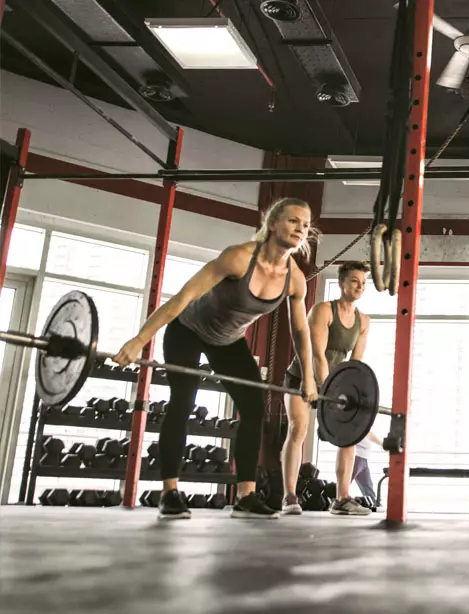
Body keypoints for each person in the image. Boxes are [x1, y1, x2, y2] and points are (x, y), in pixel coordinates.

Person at [113, 197, 318, 520]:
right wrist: (140, 340)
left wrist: (308, 377)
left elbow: (301, 333)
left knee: (254, 406)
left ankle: (246, 497)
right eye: (293, 221)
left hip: (228, 341)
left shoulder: (294, 279)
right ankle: (169, 492)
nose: (300, 229)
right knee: (183, 399)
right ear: (274, 222)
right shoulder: (238, 258)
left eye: (305, 225)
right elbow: (183, 298)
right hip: (188, 330)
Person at [280, 261, 372, 516]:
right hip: (302, 377)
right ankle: (289, 496)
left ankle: (342, 498)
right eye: (354, 281)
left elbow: (355, 364)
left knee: (349, 437)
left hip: (335, 384)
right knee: (298, 430)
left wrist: (350, 395)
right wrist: (325, 394)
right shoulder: (322, 311)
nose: (359, 287)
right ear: (342, 283)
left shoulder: (363, 321)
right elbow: (317, 355)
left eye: (363, 283)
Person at [351, 430, 384, 508]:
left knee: (367, 485)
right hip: (356, 458)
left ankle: (375, 504)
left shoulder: (364, 427)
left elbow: (369, 433)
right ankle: (335, 501)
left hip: (363, 459)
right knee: (346, 482)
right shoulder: (355, 425)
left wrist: (382, 444)